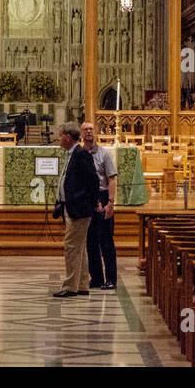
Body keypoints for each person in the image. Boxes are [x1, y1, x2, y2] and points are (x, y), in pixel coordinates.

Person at [52, 122, 98, 297]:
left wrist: (90, 204)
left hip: (79, 208)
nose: (58, 138)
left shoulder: (81, 154)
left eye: (60, 134)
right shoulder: (72, 154)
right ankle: (82, 284)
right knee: (80, 248)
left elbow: (93, 181)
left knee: (71, 247)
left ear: (68, 137)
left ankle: (70, 286)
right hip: (72, 206)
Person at [81, 121, 118, 290]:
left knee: (106, 241)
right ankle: (96, 278)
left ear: (95, 132)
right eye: (85, 130)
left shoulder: (104, 154)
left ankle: (111, 279)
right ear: (81, 134)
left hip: (103, 196)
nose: (89, 132)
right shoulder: (80, 155)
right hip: (88, 199)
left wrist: (110, 202)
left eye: (91, 129)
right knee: (91, 241)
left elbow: (111, 178)